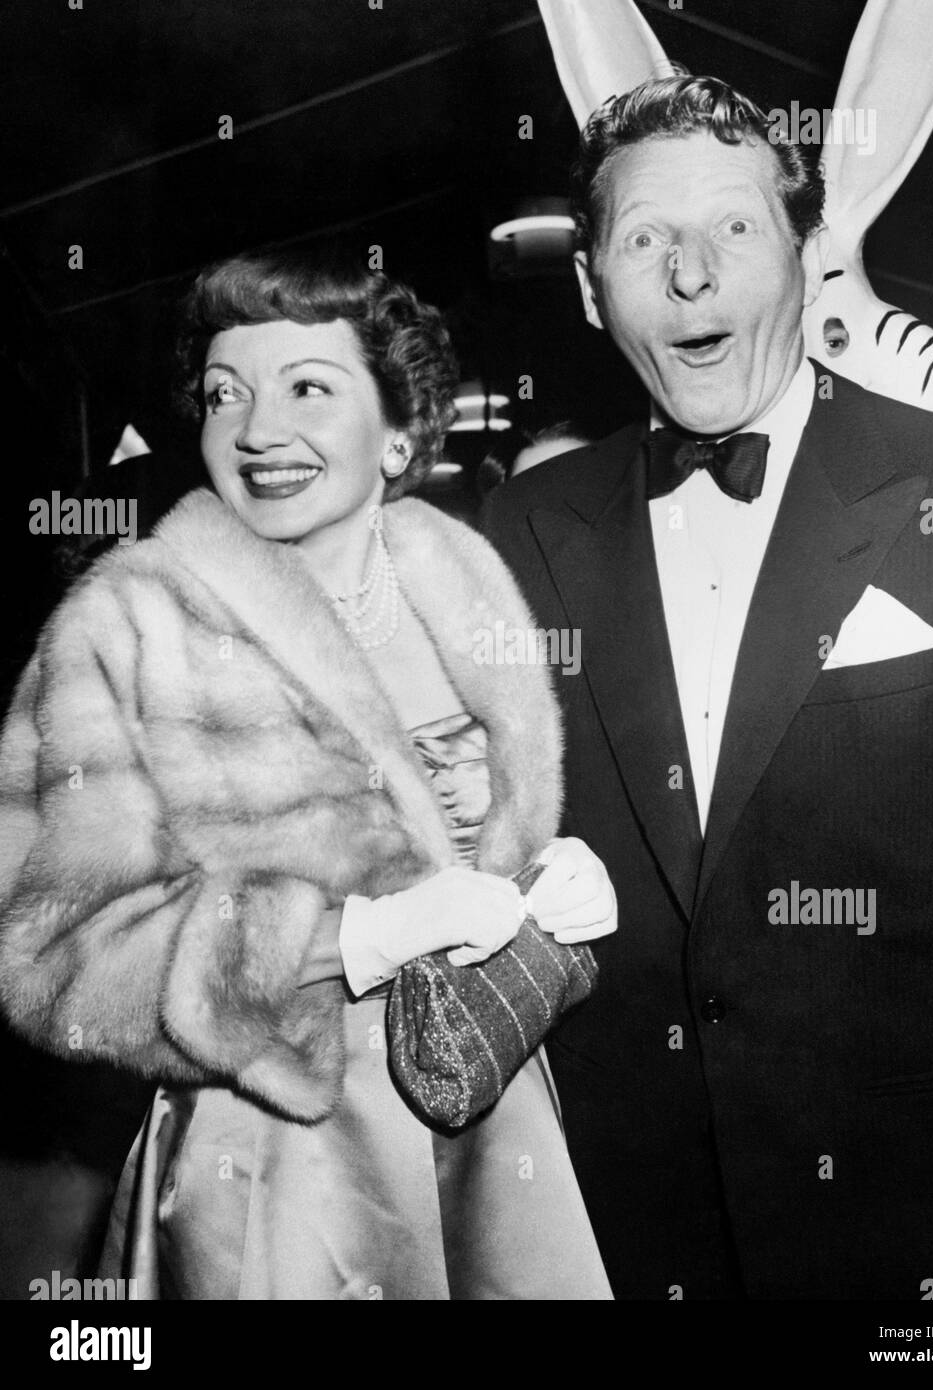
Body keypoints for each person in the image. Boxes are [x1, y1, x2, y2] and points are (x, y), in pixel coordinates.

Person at [480, 75, 933, 1300]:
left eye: (735, 227)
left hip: (917, 1239)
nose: (690, 275)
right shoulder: (523, 529)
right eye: (644, 239)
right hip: (620, 1235)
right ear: (591, 291)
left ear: (806, 255)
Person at [0, 247, 616, 1301]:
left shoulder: (460, 577)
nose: (255, 429)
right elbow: (49, 951)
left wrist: (556, 874)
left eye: (307, 389)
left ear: (396, 433)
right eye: (224, 394)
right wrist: (352, 941)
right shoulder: (130, 623)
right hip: (278, 1166)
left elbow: (487, 821)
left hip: (493, 1116)